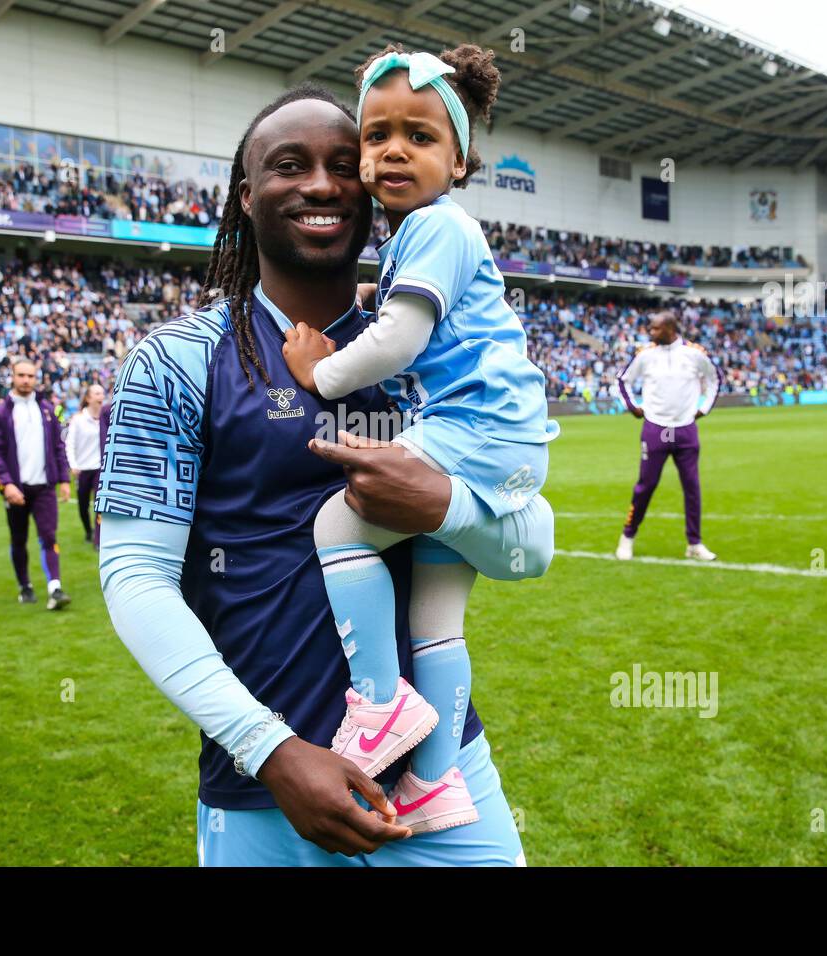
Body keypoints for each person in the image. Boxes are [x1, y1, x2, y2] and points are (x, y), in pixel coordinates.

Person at [97, 85, 553, 867]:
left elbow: (532, 547)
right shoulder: (177, 361)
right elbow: (136, 574)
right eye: (288, 165)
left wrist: (442, 506)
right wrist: (271, 751)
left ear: (373, 186)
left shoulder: (430, 353)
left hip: (437, 789)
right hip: (265, 792)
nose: (320, 183)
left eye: (344, 164)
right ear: (246, 195)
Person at [280, 44, 557, 832]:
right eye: (377, 135)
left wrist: (321, 372)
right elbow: (402, 312)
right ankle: (434, 782)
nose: (393, 150)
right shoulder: (420, 237)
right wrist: (373, 293)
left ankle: (375, 701)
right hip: (502, 440)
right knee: (436, 618)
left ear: (461, 161)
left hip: (471, 427)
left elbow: (398, 343)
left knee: (340, 523)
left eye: (421, 137)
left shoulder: (437, 225)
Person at [614, 310, 723, 562]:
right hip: (655, 428)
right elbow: (623, 380)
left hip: (686, 429)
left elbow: (716, 379)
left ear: (670, 328)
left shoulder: (695, 354)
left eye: (655, 329)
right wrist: (633, 406)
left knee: (692, 488)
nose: (650, 333)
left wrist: (703, 409)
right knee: (646, 486)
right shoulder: (646, 355)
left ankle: (694, 543)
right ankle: (627, 536)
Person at [0, 358, 72, 610]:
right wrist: (6, 484)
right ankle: (25, 586)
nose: (26, 380)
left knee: (49, 536)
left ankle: (55, 588)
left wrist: (64, 478)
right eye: (21, 375)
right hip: (16, 489)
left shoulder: (46, 409)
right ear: (12, 376)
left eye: (30, 376)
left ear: (36, 378)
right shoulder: (0, 413)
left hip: (44, 487)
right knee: (18, 539)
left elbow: (58, 446)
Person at [65, 383, 104, 548]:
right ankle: (88, 530)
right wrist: (73, 465)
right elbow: (70, 444)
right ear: (88, 398)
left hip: (99, 468)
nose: (101, 397)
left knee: (99, 504)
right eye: (96, 394)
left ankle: (99, 538)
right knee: (82, 505)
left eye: (102, 393)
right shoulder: (78, 419)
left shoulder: (106, 418)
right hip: (82, 469)